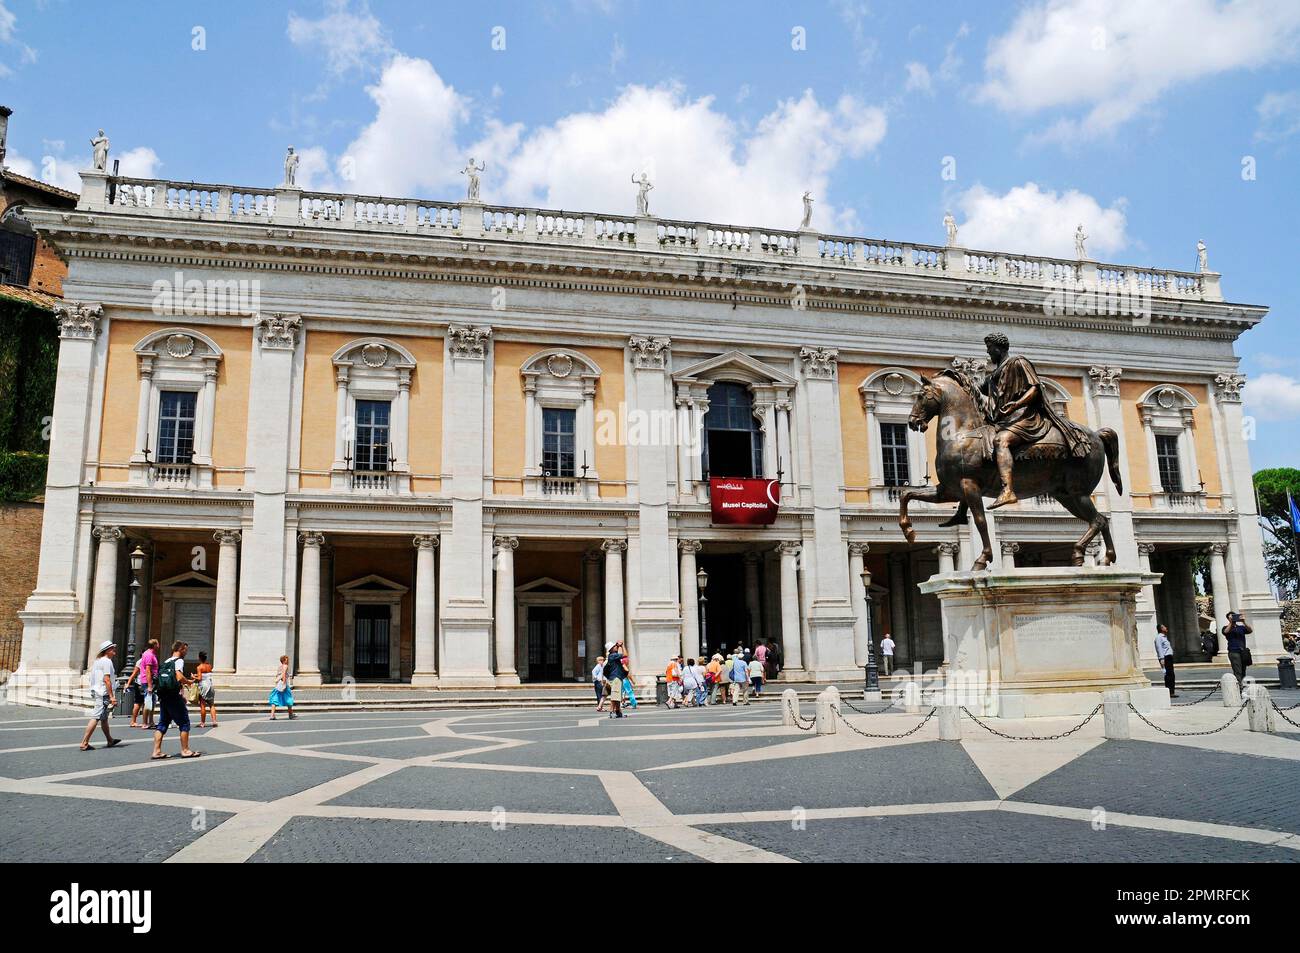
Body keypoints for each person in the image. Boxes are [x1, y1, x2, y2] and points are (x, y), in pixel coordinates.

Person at [150, 641, 200, 760]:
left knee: (162, 723)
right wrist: (189, 682)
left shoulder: (166, 661)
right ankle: (185, 750)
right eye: (185, 650)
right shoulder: (179, 661)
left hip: (164, 696)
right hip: (173, 696)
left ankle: (156, 751)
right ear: (181, 649)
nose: (186, 652)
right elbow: (179, 676)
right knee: (184, 723)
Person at [80, 640, 122, 751]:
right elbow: (107, 679)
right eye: (113, 649)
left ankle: (110, 740)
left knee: (103, 718)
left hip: (98, 691)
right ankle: (84, 743)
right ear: (107, 650)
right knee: (96, 716)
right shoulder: (107, 662)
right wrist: (112, 697)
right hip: (103, 693)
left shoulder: (97, 661)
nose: (114, 651)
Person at [129, 638, 159, 729]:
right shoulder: (149, 655)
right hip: (148, 681)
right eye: (157, 644)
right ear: (154, 645)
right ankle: (145, 722)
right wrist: (150, 685)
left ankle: (150, 721)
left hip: (149, 681)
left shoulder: (148, 653)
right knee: (148, 701)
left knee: (151, 701)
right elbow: (148, 670)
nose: (159, 645)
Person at [1221, 611, 1253, 687]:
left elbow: (1250, 630)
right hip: (1233, 651)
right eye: (1231, 617)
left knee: (1243, 669)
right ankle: (1239, 686)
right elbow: (1226, 632)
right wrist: (1231, 623)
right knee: (1237, 670)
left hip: (1243, 651)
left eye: (1234, 616)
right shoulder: (1226, 627)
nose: (1233, 618)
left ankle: (1242, 684)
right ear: (1228, 619)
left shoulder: (1241, 627)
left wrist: (1244, 621)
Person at [603, 643, 628, 718]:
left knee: (617, 696)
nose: (616, 647)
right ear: (611, 649)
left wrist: (617, 645)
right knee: (615, 696)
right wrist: (622, 645)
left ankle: (618, 712)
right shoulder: (613, 655)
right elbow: (625, 654)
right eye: (614, 646)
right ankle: (611, 712)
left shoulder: (612, 656)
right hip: (616, 678)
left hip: (613, 678)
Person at [269, 654, 295, 720]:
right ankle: (290, 715)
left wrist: (278, 684)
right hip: (283, 684)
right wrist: (284, 683)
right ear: (284, 660)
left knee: (274, 699)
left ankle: (272, 715)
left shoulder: (279, 667)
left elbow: (277, 675)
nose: (288, 660)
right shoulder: (285, 666)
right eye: (286, 659)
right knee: (288, 698)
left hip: (278, 685)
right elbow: (283, 674)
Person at [195, 651, 217, 728]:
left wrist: (194, 677)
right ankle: (214, 721)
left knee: (203, 705)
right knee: (211, 704)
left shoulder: (199, 667)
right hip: (210, 685)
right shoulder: (209, 666)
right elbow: (206, 675)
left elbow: (200, 678)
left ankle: (202, 723)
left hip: (203, 687)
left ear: (199, 658)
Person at [1154, 624, 1176, 698]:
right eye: (1164, 627)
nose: (1166, 628)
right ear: (1161, 629)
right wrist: (1161, 659)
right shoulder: (1159, 638)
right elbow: (1159, 648)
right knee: (1168, 675)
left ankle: (1172, 691)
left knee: (1171, 674)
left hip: (1169, 657)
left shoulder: (1164, 637)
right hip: (1165, 658)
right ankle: (1169, 692)